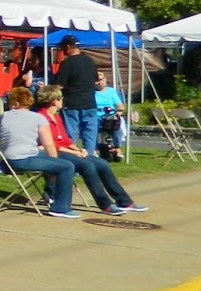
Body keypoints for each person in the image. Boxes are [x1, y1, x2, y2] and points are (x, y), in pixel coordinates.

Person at [35, 86, 147, 216]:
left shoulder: (57, 117)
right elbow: (50, 144)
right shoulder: (41, 117)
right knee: (87, 165)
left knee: (102, 164)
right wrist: (74, 153)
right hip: (50, 153)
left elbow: (64, 139)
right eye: (60, 98)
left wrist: (77, 149)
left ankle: (124, 201)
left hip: (64, 150)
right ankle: (105, 204)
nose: (62, 100)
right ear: (54, 101)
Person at [0, 86, 79, 218]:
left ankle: (51, 195)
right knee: (66, 166)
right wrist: (54, 163)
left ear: (15, 103)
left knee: (51, 161)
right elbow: (48, 144)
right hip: (22, 159)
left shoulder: (5, 116)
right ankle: (60, 207)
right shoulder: (38, 118)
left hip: (4, 160)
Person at [52, 35, 100, 153]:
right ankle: (89, 159)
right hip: (90, 103)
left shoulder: (67, 63)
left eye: (63, 47)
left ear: (68, 47)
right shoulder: (89, 61)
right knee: (90, 136)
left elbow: (59, 85)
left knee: (70, 135)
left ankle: (73, 158)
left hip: (71, 103)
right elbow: (96, 80)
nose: (62, 50)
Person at [94, 69, 127, 152]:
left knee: (116, 123)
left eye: (103, 79)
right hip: (97, 115)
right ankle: (95, 148)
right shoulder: (92, 92)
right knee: (93, 125)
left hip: (110, 115)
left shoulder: (111, 91)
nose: (103, 81)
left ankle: (117, 147)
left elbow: (119, 105)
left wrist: (119, 112)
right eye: (100, 80)